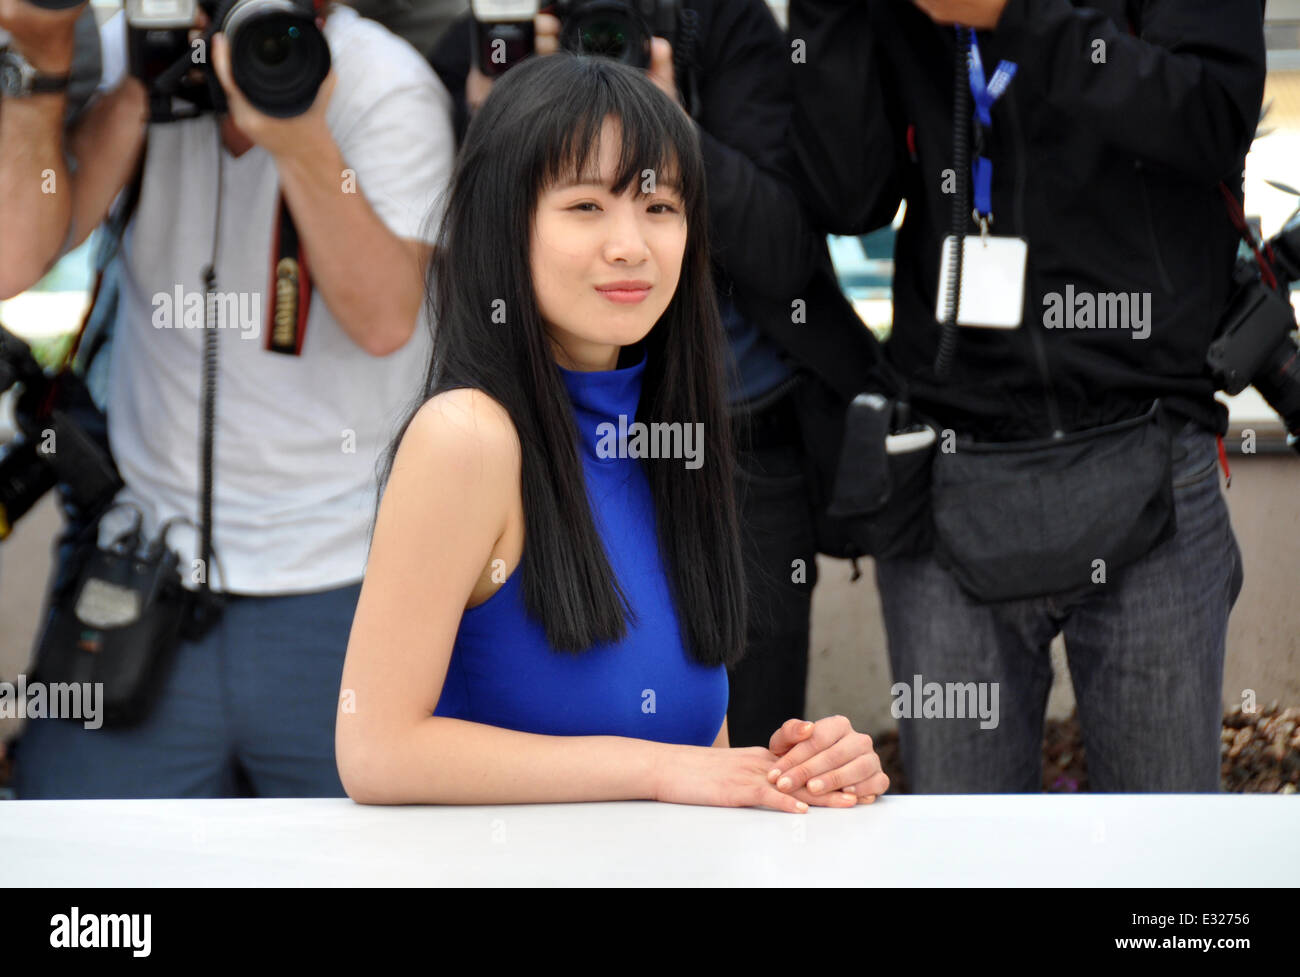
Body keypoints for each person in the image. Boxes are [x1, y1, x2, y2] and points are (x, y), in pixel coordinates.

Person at [337, 52, 891, 811]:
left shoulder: (671, 439)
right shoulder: (467, 436)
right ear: (506, 223)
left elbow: (701, 759)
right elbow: (375, 749)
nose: (631, 242)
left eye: (659, 206)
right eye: (587, 206)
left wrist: (799, 772)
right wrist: (661, 769)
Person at [789, 0, 1266, 792]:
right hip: (947, 465)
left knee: (1167, 859)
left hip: (1148, 445)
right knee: (964, 855)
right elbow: (846, 197)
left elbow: (1212, 117)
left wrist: (1016, 16)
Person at [1, 0, 455, 797]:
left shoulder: (382, 83)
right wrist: (76, 74)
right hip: (148, 558)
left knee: (372, 859)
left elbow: (387, 318)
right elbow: (15, 257)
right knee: (66, 851)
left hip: (339, 577)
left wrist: (299, 135)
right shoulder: (135, 50)